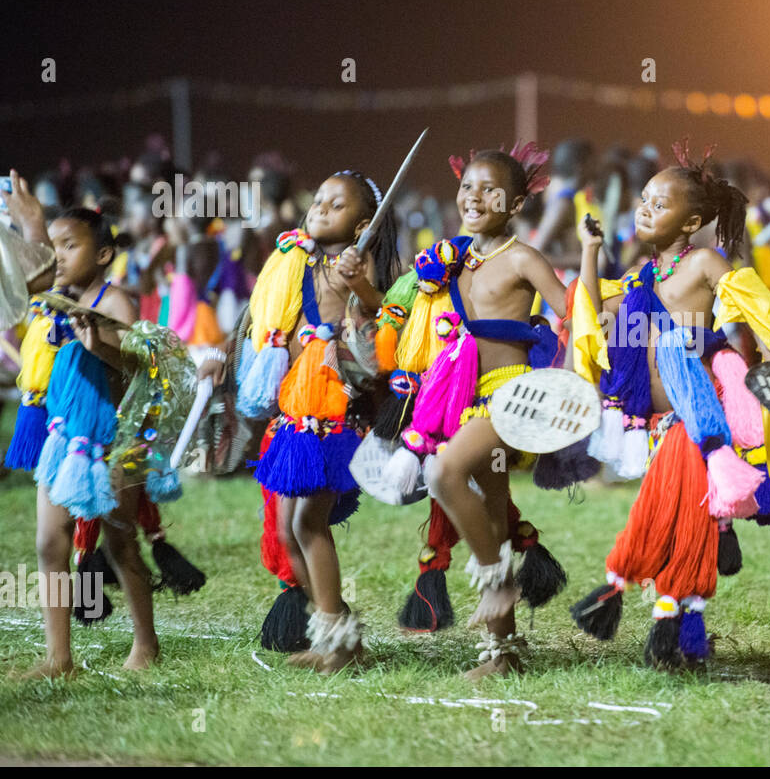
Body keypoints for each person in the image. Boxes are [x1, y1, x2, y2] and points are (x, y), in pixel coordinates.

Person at [569, 139, 770, 669]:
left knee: (679, 513)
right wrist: (590, 253)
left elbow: (754, 308)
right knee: (682, 517)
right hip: (652, 422)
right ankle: (682, 626)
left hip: (696, 415)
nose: (644, 209)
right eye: (643, 199)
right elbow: (591, 311)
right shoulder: (639, 277)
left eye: (660, 204)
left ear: (690, 223)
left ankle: (673, 622)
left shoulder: (704, 262)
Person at [206, 169, 400, 673]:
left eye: (336, 205)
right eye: (319, 199)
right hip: (294, 418)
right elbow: (262, 322)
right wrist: (224, 356)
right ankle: (337, 631)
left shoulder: (359, 268)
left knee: (309, 523)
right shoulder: (291, 265)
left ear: (361, 227)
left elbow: (382, 333)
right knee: (289, 533)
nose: (320, 209)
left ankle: (336, 640)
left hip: (334, 418)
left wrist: (361, 288)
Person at [405, 145, 574, 678]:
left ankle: (496, 584)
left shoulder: (522, 258)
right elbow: (403, 304)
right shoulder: (451, 258)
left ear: (516, 203)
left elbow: (572, 311)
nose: (473, 197)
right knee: (494, 511)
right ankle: (503, 656)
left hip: (511, 393)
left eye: (489, 190)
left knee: (444, 471)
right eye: (467, 187)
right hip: (462, 397)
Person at [4, 177, 157, 676]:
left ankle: (146, 644)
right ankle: (59, 657)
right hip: (65, 438)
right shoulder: (53, 298)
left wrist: (103, 347)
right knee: (50, 544)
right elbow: (20, 279)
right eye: (54, 246)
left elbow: (139, 365)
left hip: (119, 440)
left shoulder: (116, 302)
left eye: (71, 245)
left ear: (104, 254)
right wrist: (28, 228)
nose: (59, 255)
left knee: (120, 541)